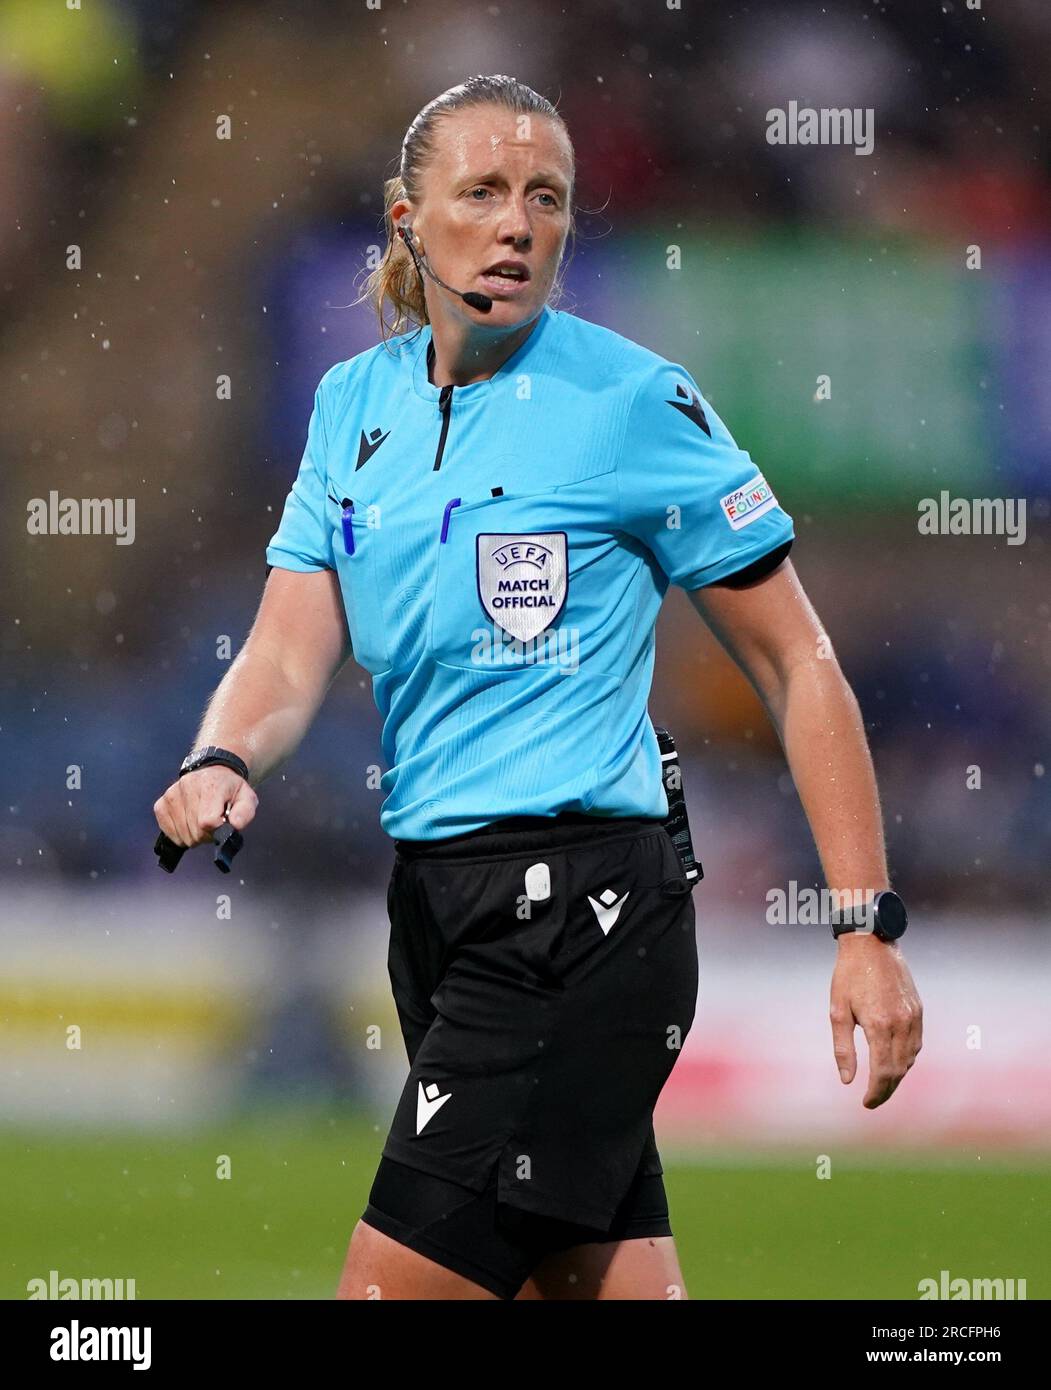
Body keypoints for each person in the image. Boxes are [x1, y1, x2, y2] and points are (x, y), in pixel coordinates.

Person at [152, 75, 923, 1301]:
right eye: (484, 192)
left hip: (584, 917)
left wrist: (862, 923)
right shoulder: (351, 405)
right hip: (435, 908)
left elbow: (797, 659)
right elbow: (289, 649)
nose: (517, 224)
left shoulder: (631, 402)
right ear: (408, 219)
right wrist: (221, 755)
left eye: (547, 197)